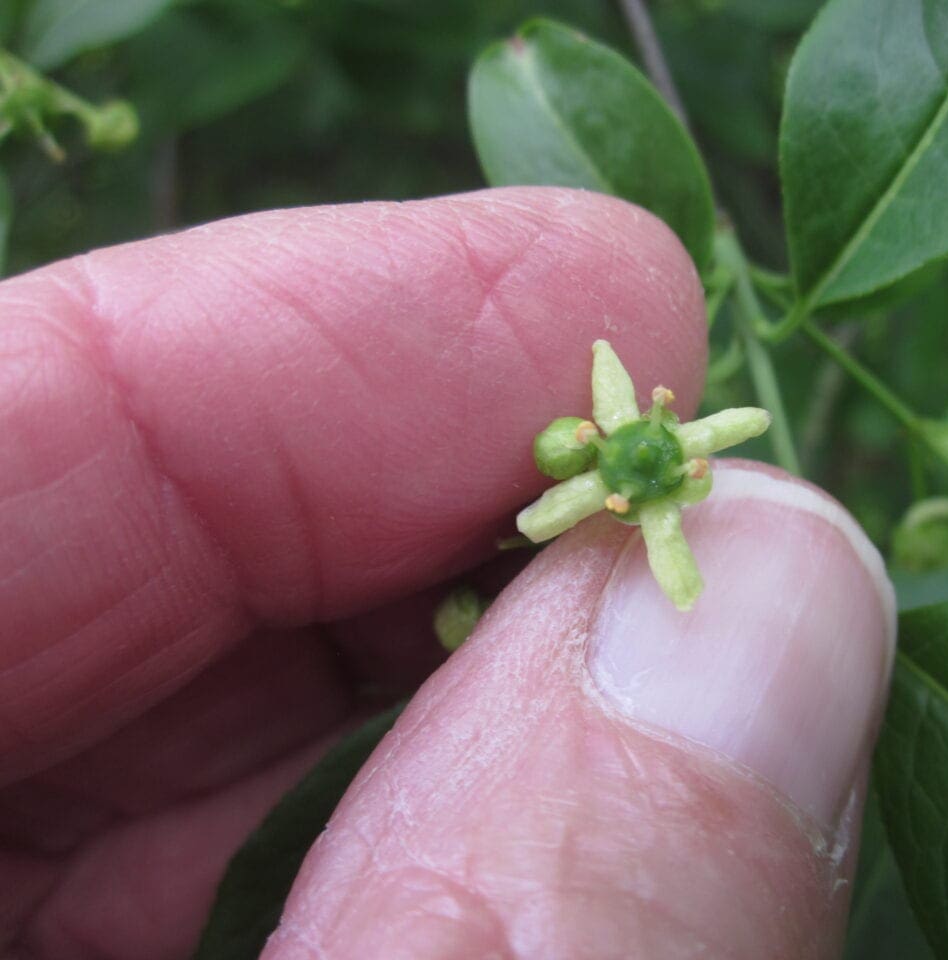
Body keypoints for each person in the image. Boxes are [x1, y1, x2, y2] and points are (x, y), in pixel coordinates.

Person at [0, 187, 894, 959]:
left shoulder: (628, 464)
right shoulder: (602, 475)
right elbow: (557, 504)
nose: (653, 453)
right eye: (641, 449)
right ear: (609, 436)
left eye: (659, 451)